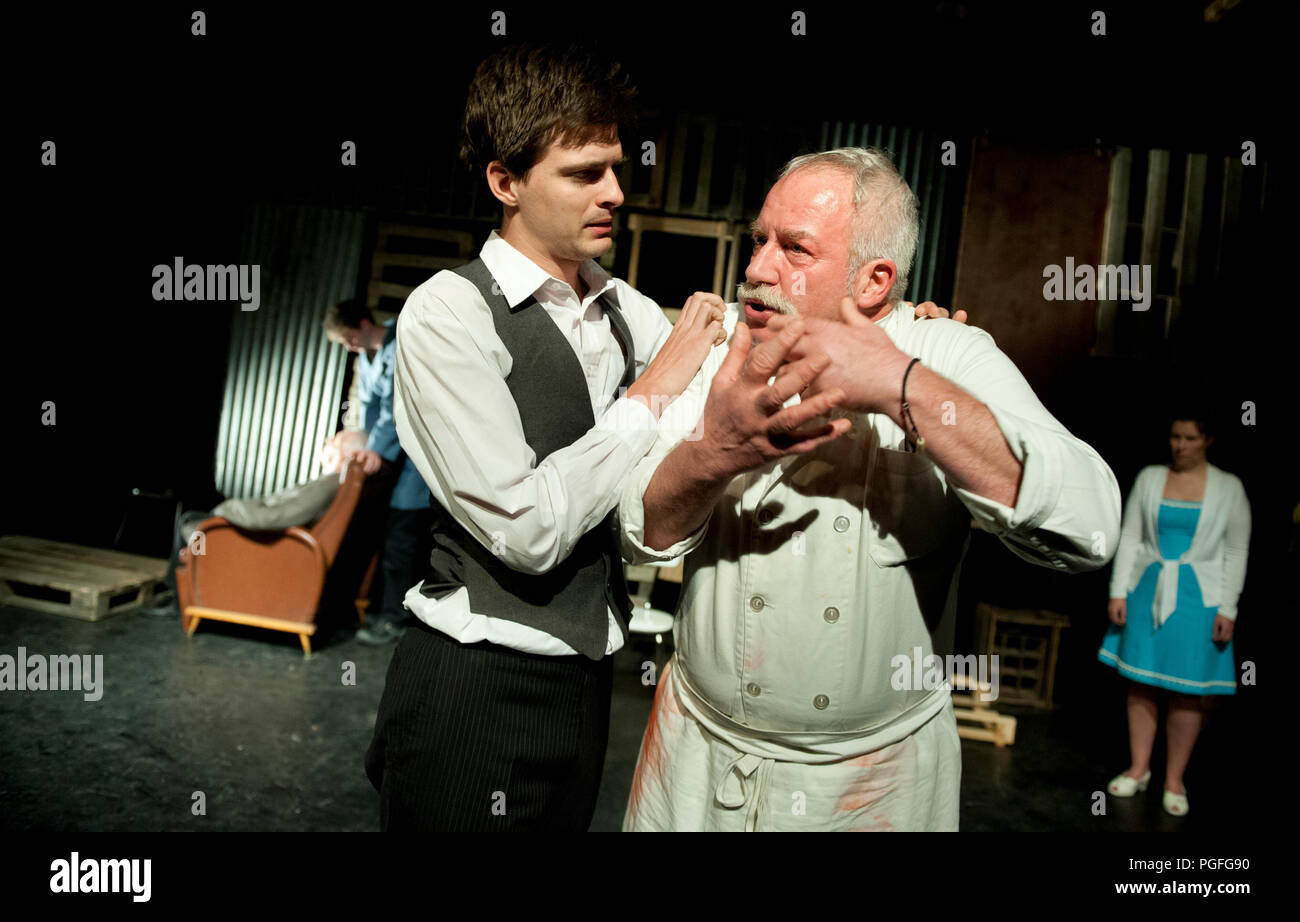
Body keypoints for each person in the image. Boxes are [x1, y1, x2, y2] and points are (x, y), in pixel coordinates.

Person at [618, 146, 1123, 831]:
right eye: (758, 239)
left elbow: (1088, 526)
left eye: (794, 249)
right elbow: (640, 534)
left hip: (871, 785)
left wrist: (904, 388)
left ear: (872, 281)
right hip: (698, 757)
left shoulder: (948, 353)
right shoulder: (721, 356)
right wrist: (714, 454)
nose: (759, 268)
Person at [362, 42, 730, 831]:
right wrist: (655, 389)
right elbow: (527, 530)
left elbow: (728, 407)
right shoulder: (449, 312)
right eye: (583, 172)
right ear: (506, 181)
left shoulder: (629, 313)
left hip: (588, 682)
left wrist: (904, 333)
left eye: (617, 168)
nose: (616, 192)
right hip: (473, 683)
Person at [1099, 409, 1250, 817]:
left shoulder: (1228, 487)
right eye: (1175, 437)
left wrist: (1228, 607)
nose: (1179, 446)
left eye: (1189, 438)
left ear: (1208, 441)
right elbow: (1130, 535)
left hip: (1198, 598)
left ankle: (1174, 778)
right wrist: (1118, 591)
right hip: (1147, 588)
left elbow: (1236, 550)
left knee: (1187, 690)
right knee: (1140, 682)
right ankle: (1139, 767)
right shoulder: (1150, 477)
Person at [145, 429, 373, 617]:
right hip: (269, 537)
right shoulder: (334, 483)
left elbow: (272, 518)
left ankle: (178, 599)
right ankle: (178, 591)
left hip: (265, 542)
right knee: (193, 519)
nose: (327, 442)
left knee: (191, 522)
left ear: (345, 455)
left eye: (334, 440)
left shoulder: (329, 485)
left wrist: (225, 509)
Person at [324, 299, 432, 645]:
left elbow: (395, 407)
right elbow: (370, 408)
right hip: (386, 460)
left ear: (365, 323)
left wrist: (375, 450)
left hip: (410, 460)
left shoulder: (399, 344)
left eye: (349, 338)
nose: (349, 347)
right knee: (384, 539)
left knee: (402, 540)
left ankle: (397, 619)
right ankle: (377, 609)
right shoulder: (368, 357)